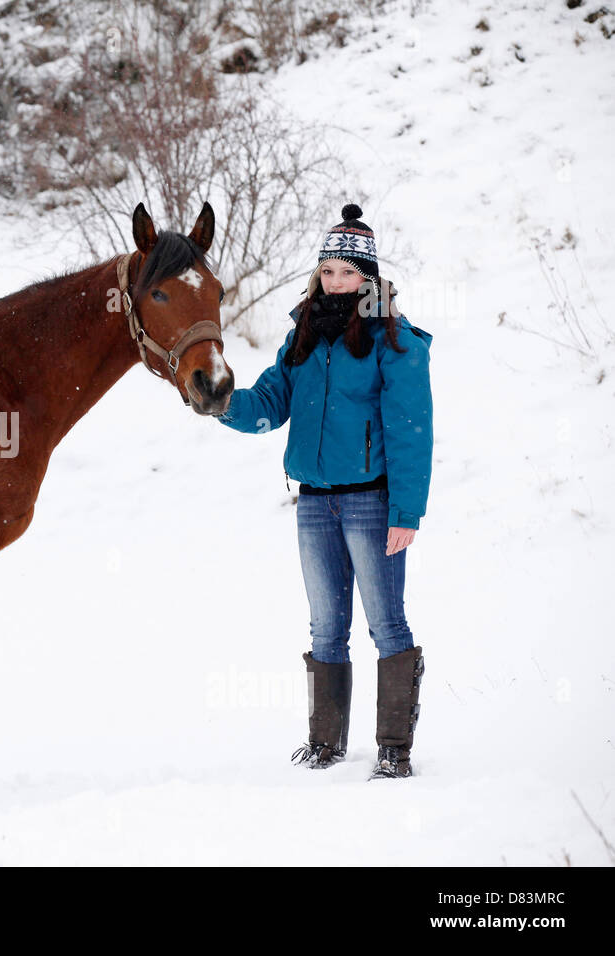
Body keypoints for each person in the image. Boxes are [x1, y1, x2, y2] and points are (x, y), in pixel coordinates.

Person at [214, 204, 433, 779]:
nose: (336, 281)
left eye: (347, 271)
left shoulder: (395, 339)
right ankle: (326, 745)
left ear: (368, 277)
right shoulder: (302, 336)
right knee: (324, 627)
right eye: (328, 270)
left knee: (387, 624)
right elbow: (268, 403)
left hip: (371, 501)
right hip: (313, 503)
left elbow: (411, 432)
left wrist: (406, 511)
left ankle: (393, 750)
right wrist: (222, 403)